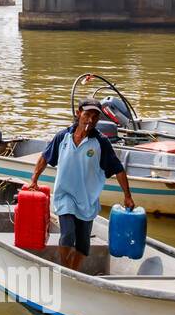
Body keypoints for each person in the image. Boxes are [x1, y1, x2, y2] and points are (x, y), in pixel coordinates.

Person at [26, 99, 135, 270]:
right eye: (87, 115)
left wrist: (127, 196)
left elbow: (118, 169)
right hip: (65, 195)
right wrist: (34, 180)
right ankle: (65, 267)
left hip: (88, 200)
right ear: (78, 114)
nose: (90, 120)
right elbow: (45, 157)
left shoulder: (101, 143)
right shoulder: (63, 137)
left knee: (83, 245)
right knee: (68, 235)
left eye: (95, 117)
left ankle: (73, 269)